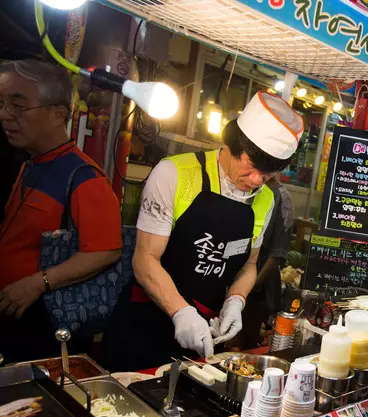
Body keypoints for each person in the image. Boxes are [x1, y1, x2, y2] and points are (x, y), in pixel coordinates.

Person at [100, 91, 303, 371]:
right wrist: (181, 312)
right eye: (252, 167)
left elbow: (250, 264)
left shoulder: (265, 199)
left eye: (267, 175)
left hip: (205, 334)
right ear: (234, 143)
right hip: (143, 324)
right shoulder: (175, 173)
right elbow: (145, 259)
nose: (256, 180)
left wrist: (236, 300)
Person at [0, 59, 122, 368]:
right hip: (2, 310)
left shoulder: (84, 177)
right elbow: (23, 240)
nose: (4, 115)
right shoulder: (31, 163)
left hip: (39, 323)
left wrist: (37, 283)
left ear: (58, 114)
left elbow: (106, 250)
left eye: (18, 105)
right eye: (0, 103)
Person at [232, 175, 294, 349]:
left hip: (257, 289)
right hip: (233, 279)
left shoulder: (282, 197)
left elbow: (277, 256)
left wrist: (250, 287)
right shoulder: (244, 187)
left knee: (244, 346)